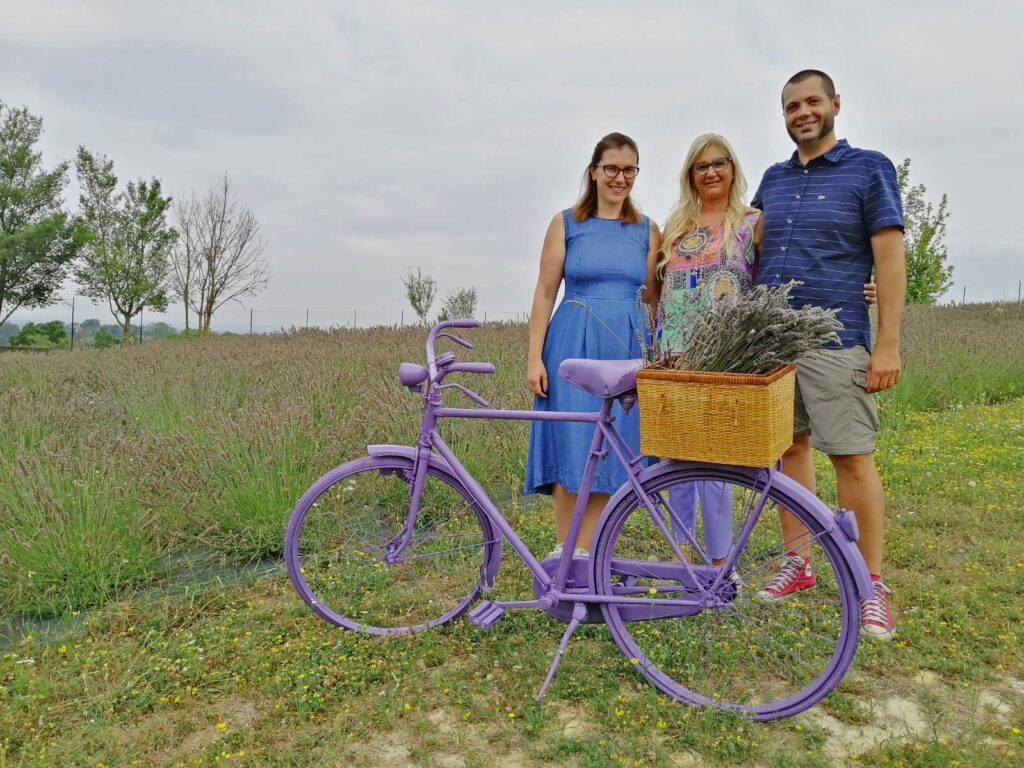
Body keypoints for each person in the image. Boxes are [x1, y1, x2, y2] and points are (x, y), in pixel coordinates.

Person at [751, 70, 906, 641]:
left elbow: (889, 259)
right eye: (791, 105)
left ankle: (871, 585)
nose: (802, 112)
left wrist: (885, 342)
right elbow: (750, 249)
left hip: (838, 340)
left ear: (835, 104)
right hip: (772, 343)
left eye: (812, 101)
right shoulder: (772, 178)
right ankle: (800, 563)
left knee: (852, 456)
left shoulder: (870, 168)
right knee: (789, 448)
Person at [524, 132, 661, 556]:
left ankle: (593, 550)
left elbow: (655, 300)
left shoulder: (647, 230)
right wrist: (534, 357)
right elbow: (546, 292)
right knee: (571, 442)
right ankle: (567, 550)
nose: (620, 178)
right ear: (594, 171)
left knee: (611, 447)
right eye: (612, 168)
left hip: (626, 345)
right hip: (571, 343)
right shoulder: (566, 223)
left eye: (629, 169)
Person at [653, 133, 763, 566]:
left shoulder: (753, 223)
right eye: (702, 166)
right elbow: (655, 289)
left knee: (715, 462)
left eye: (720, 163)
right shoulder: (675, 226)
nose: (712, 172)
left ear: (733, 168)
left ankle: (719, 563)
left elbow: (778, 279)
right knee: (674, 458)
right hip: (672, 354)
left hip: (724, 358)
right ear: (690, 175)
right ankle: (680, 559)